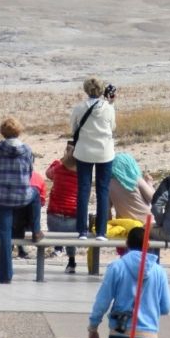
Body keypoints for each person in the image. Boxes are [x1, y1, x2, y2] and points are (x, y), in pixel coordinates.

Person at [0, 117, 35, 285]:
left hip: (0, 195)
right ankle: (36, 228)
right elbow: (30, 172)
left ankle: (5, 274)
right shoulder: (27, 150)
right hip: (21, 195)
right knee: (35, 193)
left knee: (4, 234)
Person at [71, 78, 119, 237]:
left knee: (83, 190)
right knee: (102, 191)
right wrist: (111, 104)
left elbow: (74, 128)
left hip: (84, 151)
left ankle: (82, 230)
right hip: (104, 152)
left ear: (86, 90)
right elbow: (112, 128)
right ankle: (101, 231)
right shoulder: (108, 108)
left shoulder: (79, 108)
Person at [45, 145, 83, 273]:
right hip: (72, 214)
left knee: (55, 230)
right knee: (71, 241)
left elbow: (48, 173)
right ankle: (71, 260)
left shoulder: (58, 168)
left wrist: (61, 160)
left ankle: (58, 248)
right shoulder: (82, 174)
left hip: (55, 215)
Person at [109, 150, 155, 226]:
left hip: (124, 223)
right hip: (145, 222)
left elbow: (107, 208)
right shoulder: (136, 179)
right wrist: (149, 183)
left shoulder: (109, 184)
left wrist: (109, 224)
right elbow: (153, 199)